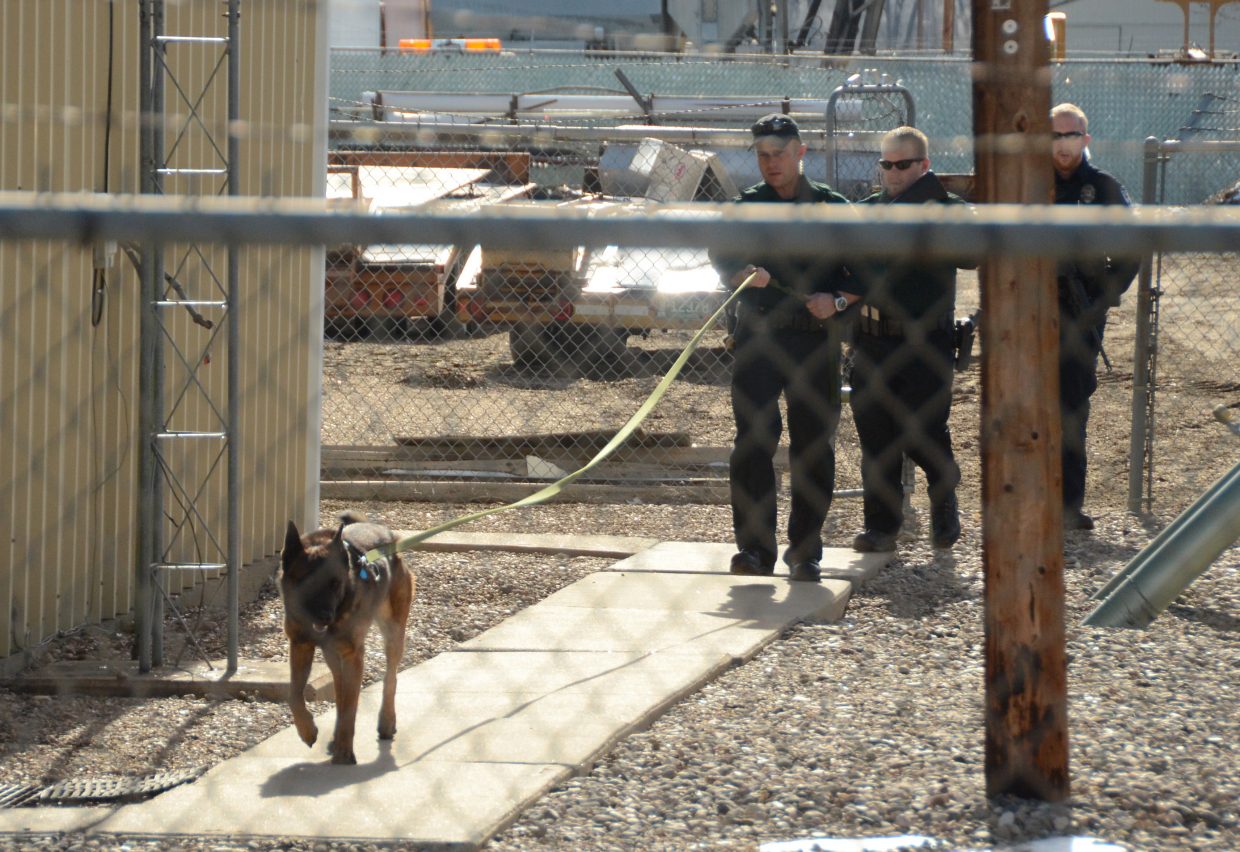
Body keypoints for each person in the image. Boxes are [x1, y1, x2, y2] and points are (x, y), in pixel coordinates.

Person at [711, 113, 863, 582]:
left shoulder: (833, 207)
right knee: (753, 443)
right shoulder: (746, 206)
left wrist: (835, 300)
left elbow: (866, 272)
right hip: (758, 336)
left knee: (813, 446)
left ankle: (805, 551)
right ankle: (755, 550)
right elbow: (722, 256)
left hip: (815, 339)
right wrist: (740, 274)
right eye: (761, 156)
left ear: (801, 152)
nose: (770, 163)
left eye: (778, 154)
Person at [850, 126, 971, 553]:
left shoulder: (946, 210)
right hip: (871, 340)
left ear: (924, 166)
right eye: (886, 164)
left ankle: (943, 497)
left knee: (923, 433)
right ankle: (882, 528)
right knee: (876, 438)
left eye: (903, 165)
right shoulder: (867, 211)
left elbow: (972, 255)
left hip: (925, 343)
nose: (893, 173)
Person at [1051, 103, 1139, 530]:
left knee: (1071, 408)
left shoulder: (1102, 187)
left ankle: (1069, 506)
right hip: (1029, 315)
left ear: (1085, 140)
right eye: (1054, 135)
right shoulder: (1029, 184)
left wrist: (1101, 299)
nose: (1061, 144)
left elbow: (1131, 251)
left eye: (1070, 135)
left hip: (1077, 316)